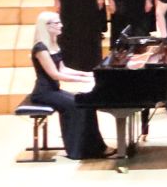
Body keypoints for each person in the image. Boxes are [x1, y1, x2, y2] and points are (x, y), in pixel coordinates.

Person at [24, 11, 106, 160]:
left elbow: (63, 69)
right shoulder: (40, 49)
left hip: (54, 90)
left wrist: (86, 74)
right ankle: (77, 150)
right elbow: (55, 74)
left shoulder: (53, 44)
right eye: (57, 23)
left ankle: (95, 148)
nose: (61, 25)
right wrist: (82, 80)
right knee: (76, 107)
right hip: (44, 93)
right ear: (46, 26)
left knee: (87, 103)